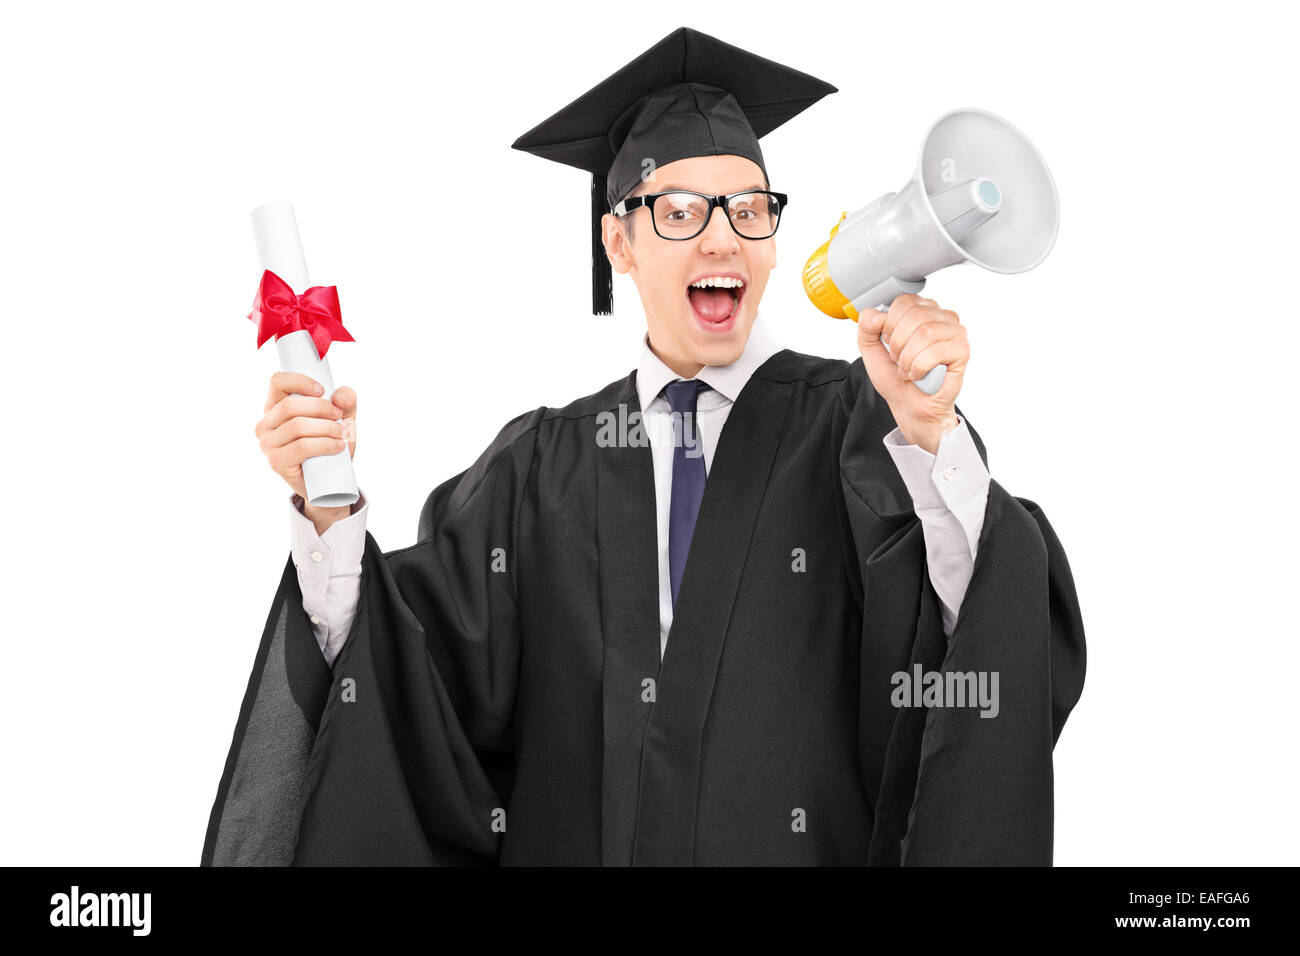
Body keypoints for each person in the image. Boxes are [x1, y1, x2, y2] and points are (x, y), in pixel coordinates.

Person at [204, 26, 1085, 866]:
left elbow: (978, 651)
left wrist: (934, 439)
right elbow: (404, 694)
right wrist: (328, 506)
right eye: (678, 209)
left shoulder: (867, 425)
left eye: (749, 209)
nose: (720, 236)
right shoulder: (537, 468)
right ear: (617, 239)